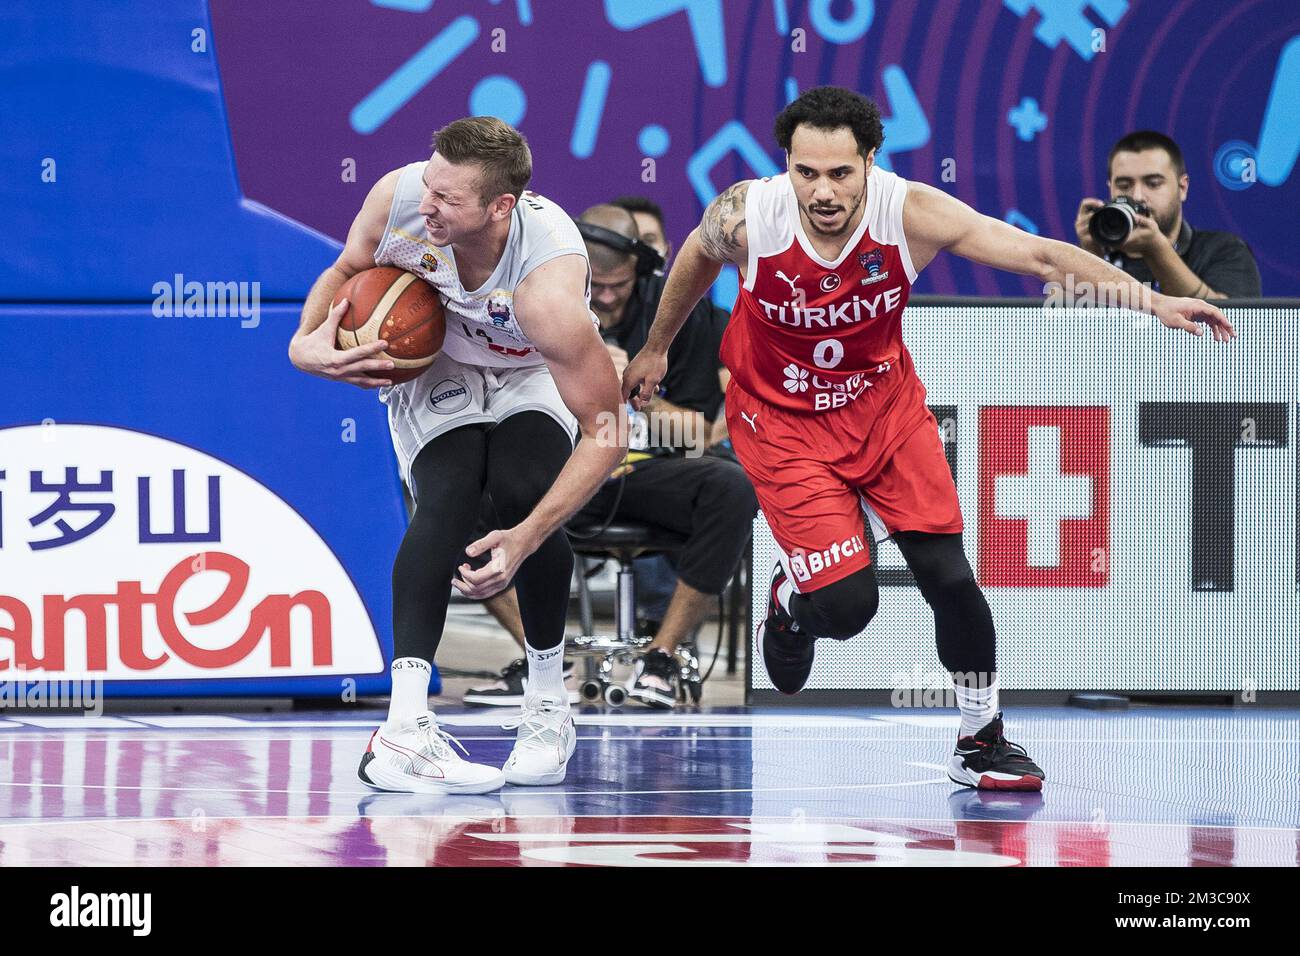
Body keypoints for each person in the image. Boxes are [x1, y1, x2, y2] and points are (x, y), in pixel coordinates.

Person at [623, 87, 1235, 791]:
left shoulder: (910, 212)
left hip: (884, 412)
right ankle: (792, 602)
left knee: (949, 577)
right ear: (785, 166)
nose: (823, 192)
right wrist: (656, 346)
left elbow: (1038, 256)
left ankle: (981, 738)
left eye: (841, 173)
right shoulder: (748, 215)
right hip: (782, 423)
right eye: (807, 173)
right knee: (851, 610)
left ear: (870, 163)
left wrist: (1153, 301)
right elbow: (697, 257)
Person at [289, 117, 624, 793]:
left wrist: (529, 536)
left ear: (501, 207)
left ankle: (546, 704)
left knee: (524, 491)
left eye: (448, 200)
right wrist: (305, 344)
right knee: (447, 496)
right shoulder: (400, 197)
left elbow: (608, 430)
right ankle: (403, 731)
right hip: (437, 357)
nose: (427, 204)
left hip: (527, 365)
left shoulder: (547, 289)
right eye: (429, 185)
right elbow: (349, 269)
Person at [573, 203, 758, 707]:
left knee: (731, 486)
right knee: (466, 487)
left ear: (640, 268)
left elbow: (696, 434)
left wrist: (639, 392)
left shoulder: (679, 318)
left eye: (619, 285)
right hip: (562, 473)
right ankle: (538, 660)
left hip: (641, 473)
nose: (607, 298)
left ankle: (662, 653)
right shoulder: (546, 301)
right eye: (598, 287)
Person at [1074, 131, 1261, 299]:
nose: (1137, 196)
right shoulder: (1095, 253)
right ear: (1110, 188)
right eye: (1124, 186)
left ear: (1182, 187)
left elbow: (1231, 327)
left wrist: (1156, 249)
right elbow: (1062, 329)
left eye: (1153, 183)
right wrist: (1089, 256)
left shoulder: (1224, 251)